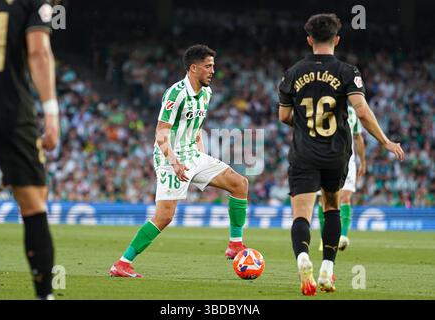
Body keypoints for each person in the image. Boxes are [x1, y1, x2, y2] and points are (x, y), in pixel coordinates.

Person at [278, 13, 404, 295]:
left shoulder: (293, 72)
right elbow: (361, 110)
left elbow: (284, 115)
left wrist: (303, 122)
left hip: (303, 153)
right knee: (332, 207)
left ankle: (302, 257)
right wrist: (384, 141)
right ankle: (328, 269)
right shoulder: (348, 72)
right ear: (337, 39)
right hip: (336, 154)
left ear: (309, 39)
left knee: (301, 214)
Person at [110, 44, 249, 278]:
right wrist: (174, 161)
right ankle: (122, 263)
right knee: (164, 217)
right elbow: (161, 134)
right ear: (193, 68)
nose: (212, 71)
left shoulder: (206, 93)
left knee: (240, 184)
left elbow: (195, 129)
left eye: (213, 66)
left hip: (193, 155)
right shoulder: (176, 95)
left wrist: (203, 160)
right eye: (208, 66)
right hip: (168, 158)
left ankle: (235, 244)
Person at [0, 0, 59, 300]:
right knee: (32, 204)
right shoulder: (32, 2)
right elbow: (39, 52)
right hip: (12, 113)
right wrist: (51, 112)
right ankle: (44, 295)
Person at [317, 105, 366, 251]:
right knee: (324, 199)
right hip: (325, 158)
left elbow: (357, 137)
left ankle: (343, 236)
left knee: (345, 197)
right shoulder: (321, 107)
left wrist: (362, 161)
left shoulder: (352, 112)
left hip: (347, 160)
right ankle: (324, 238)